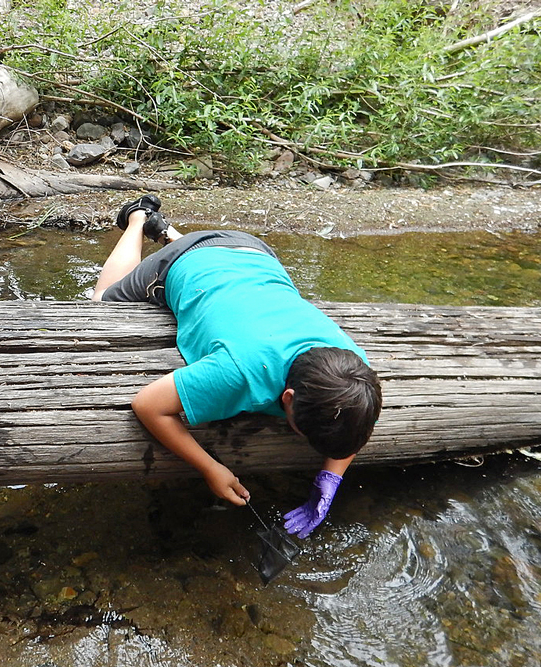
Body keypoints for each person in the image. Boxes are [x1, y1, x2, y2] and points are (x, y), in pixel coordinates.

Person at [92, 196, 382, 537]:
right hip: (181, 263)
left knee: (221, 276)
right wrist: (210, 468)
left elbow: (362, 417)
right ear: (286, 398)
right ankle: (141, 217)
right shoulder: (240, 371)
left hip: (254, 256)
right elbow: (148, 405)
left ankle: (169, 231)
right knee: (100, 303)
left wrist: (329, 479)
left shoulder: (353, 367)